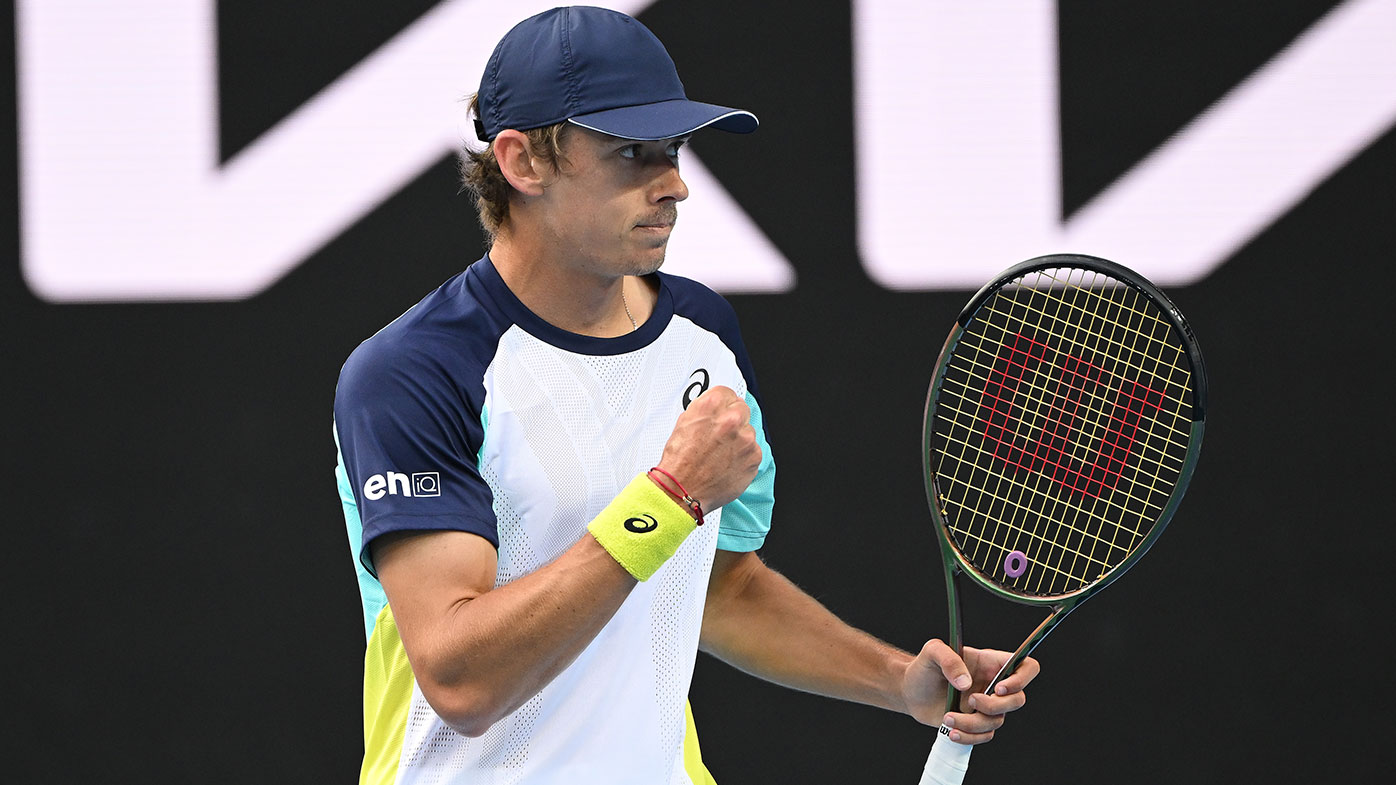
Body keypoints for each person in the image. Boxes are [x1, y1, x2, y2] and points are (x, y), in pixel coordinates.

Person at [332, 7, 1039, 783]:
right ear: (522, 162)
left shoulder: (703, 333)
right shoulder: (413, 372)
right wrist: (669, 500)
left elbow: (720, 585)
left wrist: (899, 681)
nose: (674, 185)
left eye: (673, 150)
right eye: (633, 153)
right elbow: (461, 680)